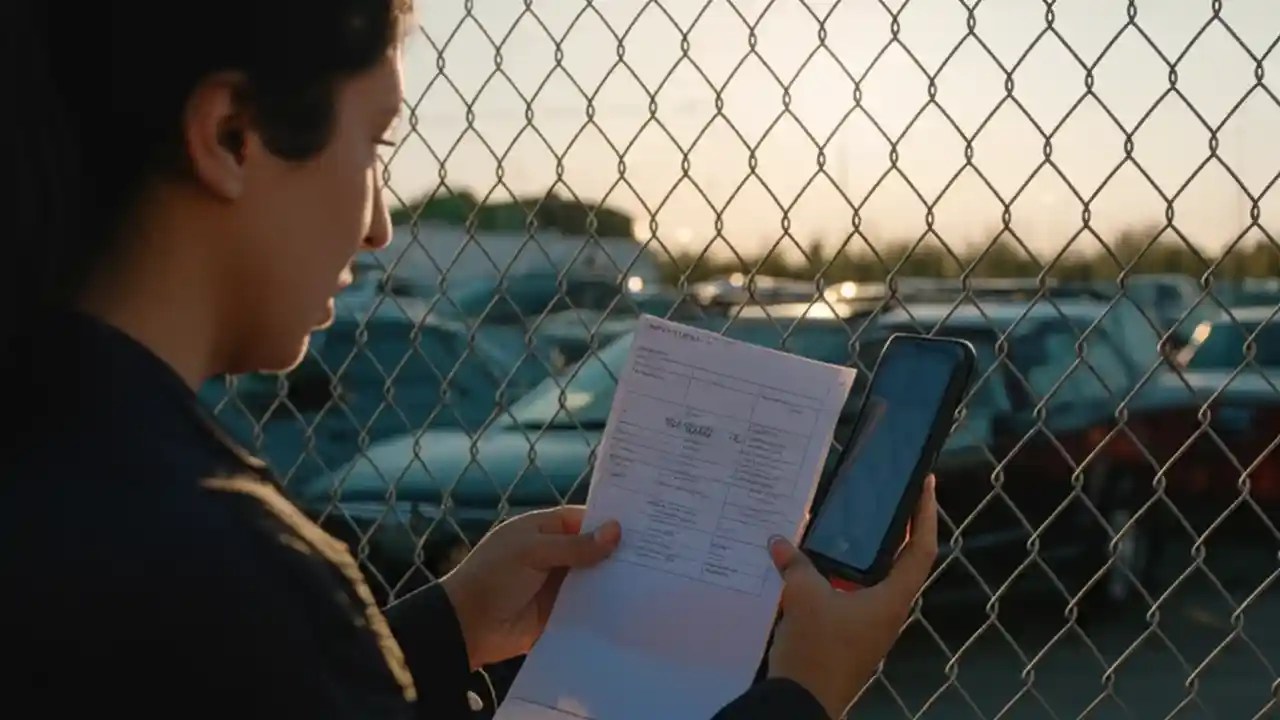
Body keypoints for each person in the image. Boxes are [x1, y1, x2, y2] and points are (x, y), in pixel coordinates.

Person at [0, 1, 937, 718]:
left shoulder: (59, 477)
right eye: (375, 145)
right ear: (231, 135)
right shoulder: (222, 576)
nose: (379, 227)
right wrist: (805, 693)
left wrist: (447, 628)